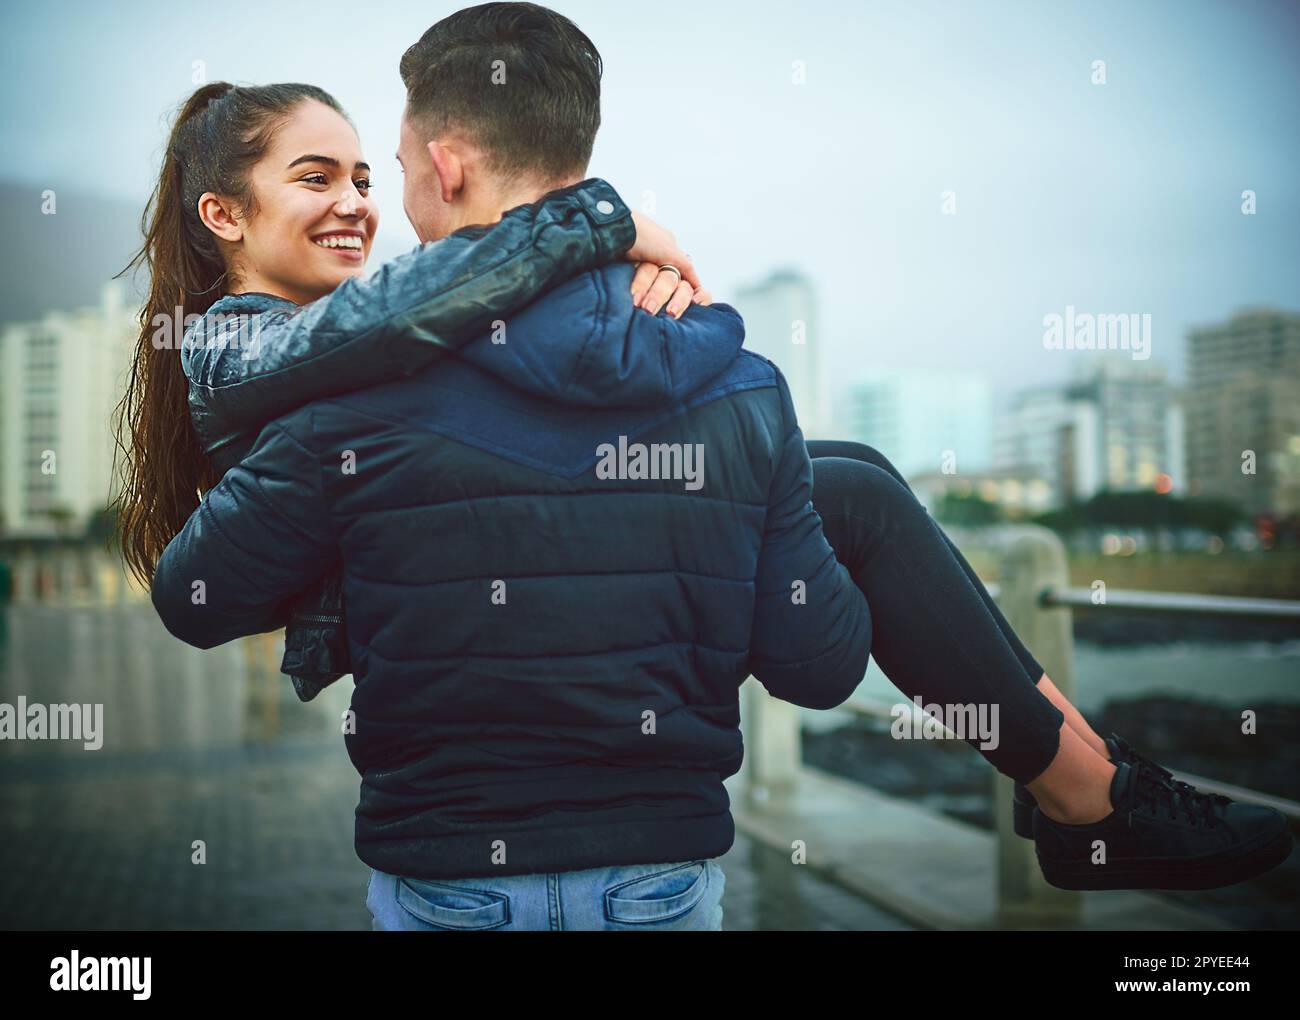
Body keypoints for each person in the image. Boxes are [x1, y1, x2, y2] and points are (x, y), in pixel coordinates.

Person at [143, 3, 1291, 930]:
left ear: (441, 167)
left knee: (851, 482)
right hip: (650, 868)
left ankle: (1090, 782)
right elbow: (816, 666)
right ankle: (1086, 793)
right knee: (825, 480)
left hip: (452, 862)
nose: (363, 205)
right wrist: (606, 244)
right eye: (322, 180)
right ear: (223, 216)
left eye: (371, 173)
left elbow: (409, 351)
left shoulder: (372, 355)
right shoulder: (290, 347)